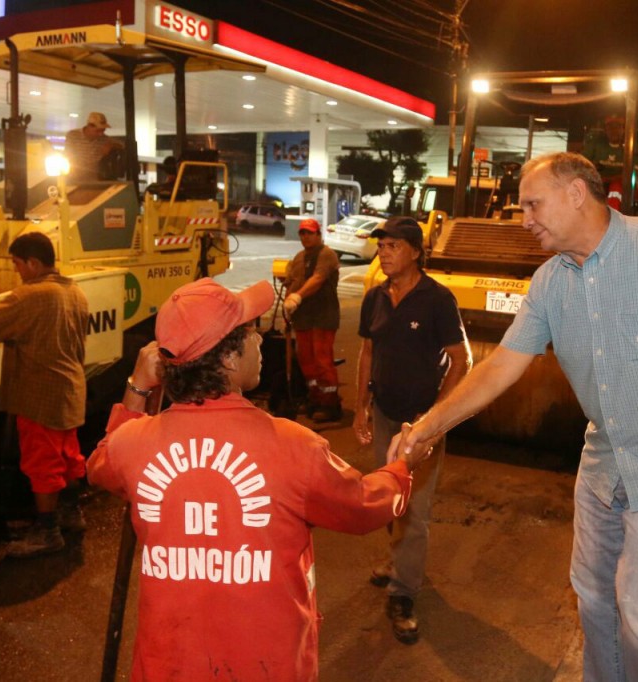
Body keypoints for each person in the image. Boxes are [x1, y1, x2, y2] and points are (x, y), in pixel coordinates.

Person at [392, 152, 638, 680]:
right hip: (605, 459)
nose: (523, 218)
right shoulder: (551, 280)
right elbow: (502, 364)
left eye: (533, 204)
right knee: (594, 597)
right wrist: (428, 426)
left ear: (576, 193)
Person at [86, 278, 424, 680]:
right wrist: (403, 466)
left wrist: (138, 386)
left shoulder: (133, 443)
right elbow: (366, 506)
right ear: (228, 359)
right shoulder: (293, 447)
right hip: (266, 666)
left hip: (169, 666)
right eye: (251, 333)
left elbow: (100, 463)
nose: (261, 342)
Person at [352, 216, 471, 645]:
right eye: (381, 246)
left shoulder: (437, 299)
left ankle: (404, 594)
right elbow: (367, 351)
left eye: (392, 246)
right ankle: (398, 561)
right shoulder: (375, 298)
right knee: (389, 497)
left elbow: (462, 360)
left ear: (415, 252)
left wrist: (435, 419)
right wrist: (361, 407)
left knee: (415, 510)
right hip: (384, 414)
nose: (383, 252)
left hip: (420, 426)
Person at [0, 232, 90, 557]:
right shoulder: (75, 292)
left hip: (39, 394)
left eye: (17, 264)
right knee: (69, 458)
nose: (17, 271)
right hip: (69, 389)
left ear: (33, 263)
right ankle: (72, 513)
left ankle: (47, 531)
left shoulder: (31, 295)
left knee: (42, 464)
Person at [282, 218, 342, 422]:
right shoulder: (299, 257)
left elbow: (317, 279)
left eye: (309, 233)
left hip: (322, 316)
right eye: (302, 233)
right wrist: (287, 306)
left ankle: (330, 403)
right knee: (306, 361)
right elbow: (292, 282)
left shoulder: (327, 255)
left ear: (318, 234)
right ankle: (315, 398)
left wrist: (297, 297)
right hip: (303, 318)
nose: (305, 237)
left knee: (322, 360)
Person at [581, 114, 638, 210]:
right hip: (598, 184)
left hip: (622, 188)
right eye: (610, 127)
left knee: (615, 187)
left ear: (623, 129)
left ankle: (613, 218)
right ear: (605, 130)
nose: (614, 131)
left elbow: (630, 175)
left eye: (618, 127)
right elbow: (582, 166)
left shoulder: (632, 147)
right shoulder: (595, 145)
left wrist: (606, 179)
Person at [64, 112, 122, 182]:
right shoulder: (73, 135)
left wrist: (111, 145)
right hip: (74, 175)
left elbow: (122, 145)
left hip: (92, 176)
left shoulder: (104, 139)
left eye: (103, 130)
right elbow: (68, 155)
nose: (100, 134)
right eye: (98, 131)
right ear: (89, 126)